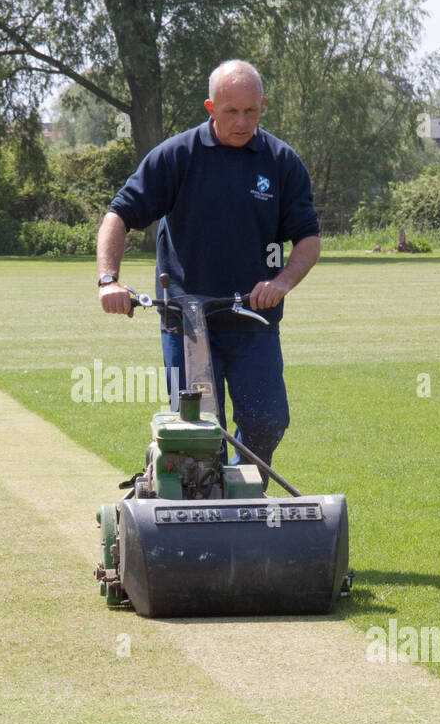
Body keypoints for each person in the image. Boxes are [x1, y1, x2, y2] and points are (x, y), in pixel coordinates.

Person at [95, 59, 320, 473]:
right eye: (230, 111)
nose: (241, 121)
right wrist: (109, 280)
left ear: (262, 105)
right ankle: (207, 503)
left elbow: (308, 237)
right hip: (187, 321)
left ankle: (246, 480)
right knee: (200, 432)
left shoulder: (281, 162)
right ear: (210, 107)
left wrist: (282, 282)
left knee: (268, 420)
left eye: (250, 111)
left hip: (254, 316)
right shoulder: (177, 156)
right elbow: (118, 215)